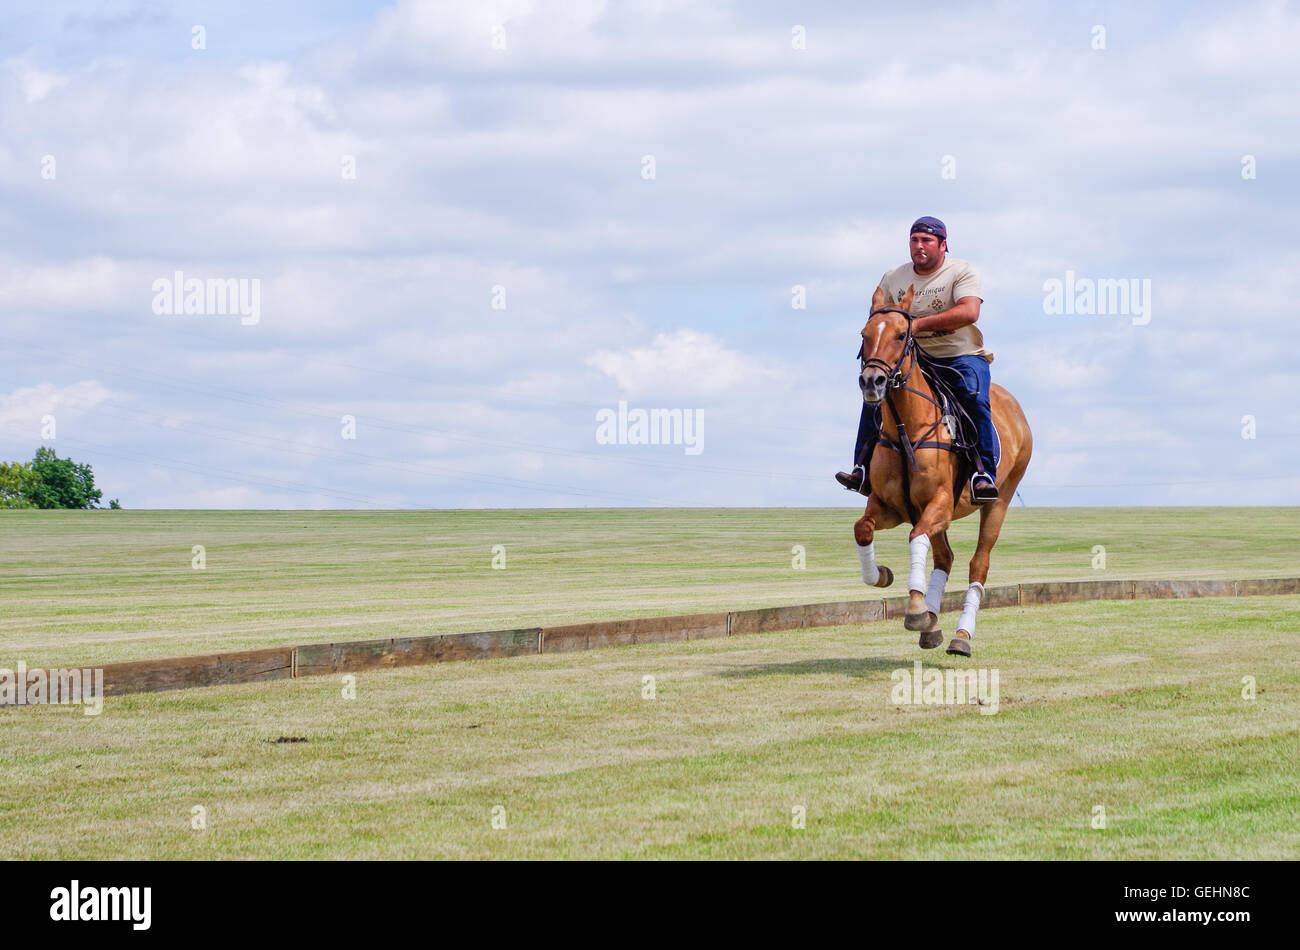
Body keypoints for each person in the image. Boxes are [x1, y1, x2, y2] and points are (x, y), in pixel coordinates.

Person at [835, 216, 1000, 504]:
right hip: (911, 360)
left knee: (974, 397)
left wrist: (918, 326)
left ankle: (983, 473)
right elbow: (879, 319)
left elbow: (970, 312)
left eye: (926, 240)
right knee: (875, 398)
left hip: (958, 356)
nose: (919, 246)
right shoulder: (893, 278)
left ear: (943, 244)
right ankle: (861, 469)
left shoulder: (961, 271)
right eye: (914, 240)